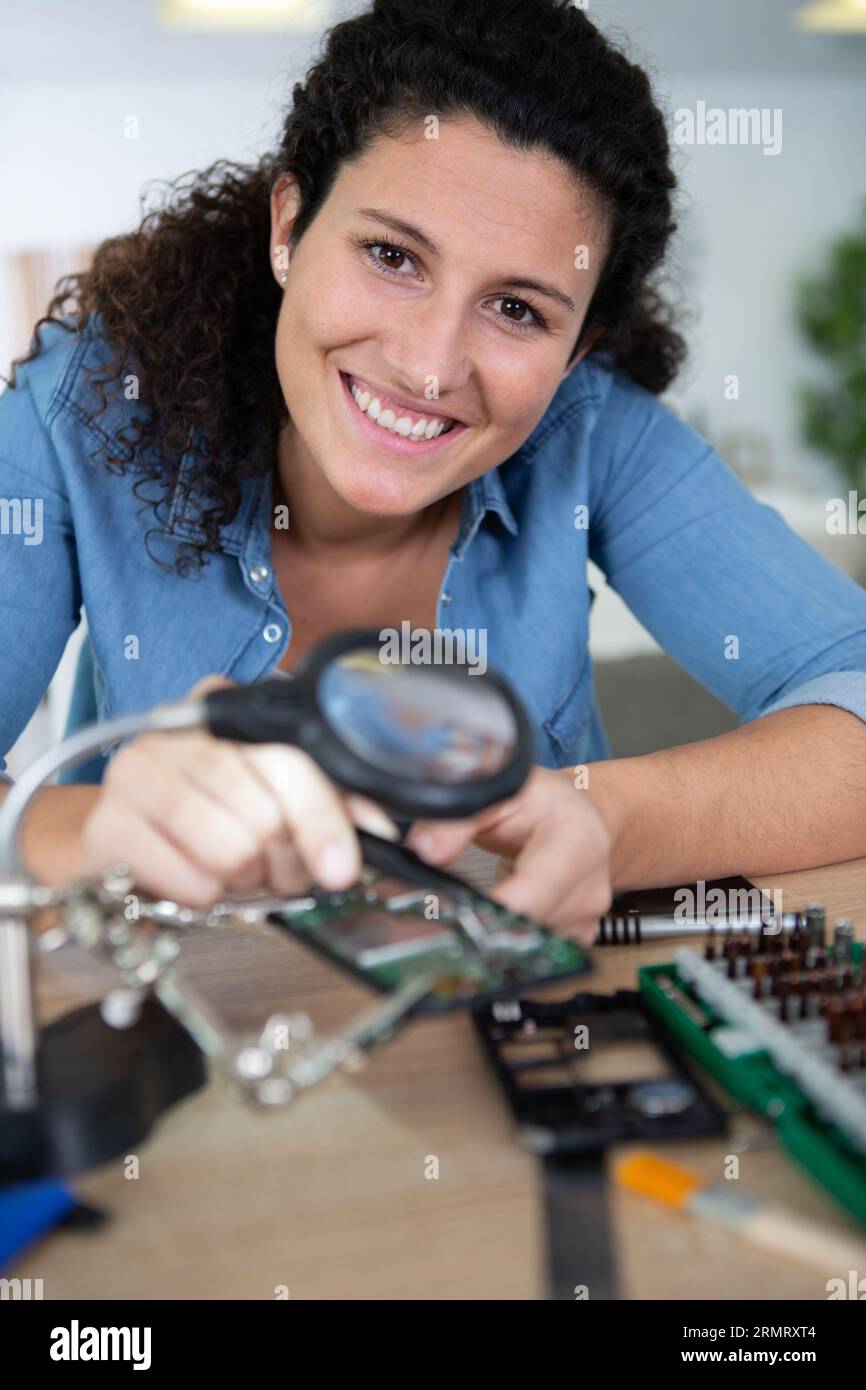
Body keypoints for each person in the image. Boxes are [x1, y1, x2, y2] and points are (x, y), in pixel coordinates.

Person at [3, 0, 866, 946]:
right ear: (289, 225)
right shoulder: (78, 409)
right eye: (391, 255)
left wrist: (612, 818)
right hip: (158, 1038)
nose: (428, 366)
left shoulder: (597, 433)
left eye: (518, 309)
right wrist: (78, 830)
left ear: (580, 350)